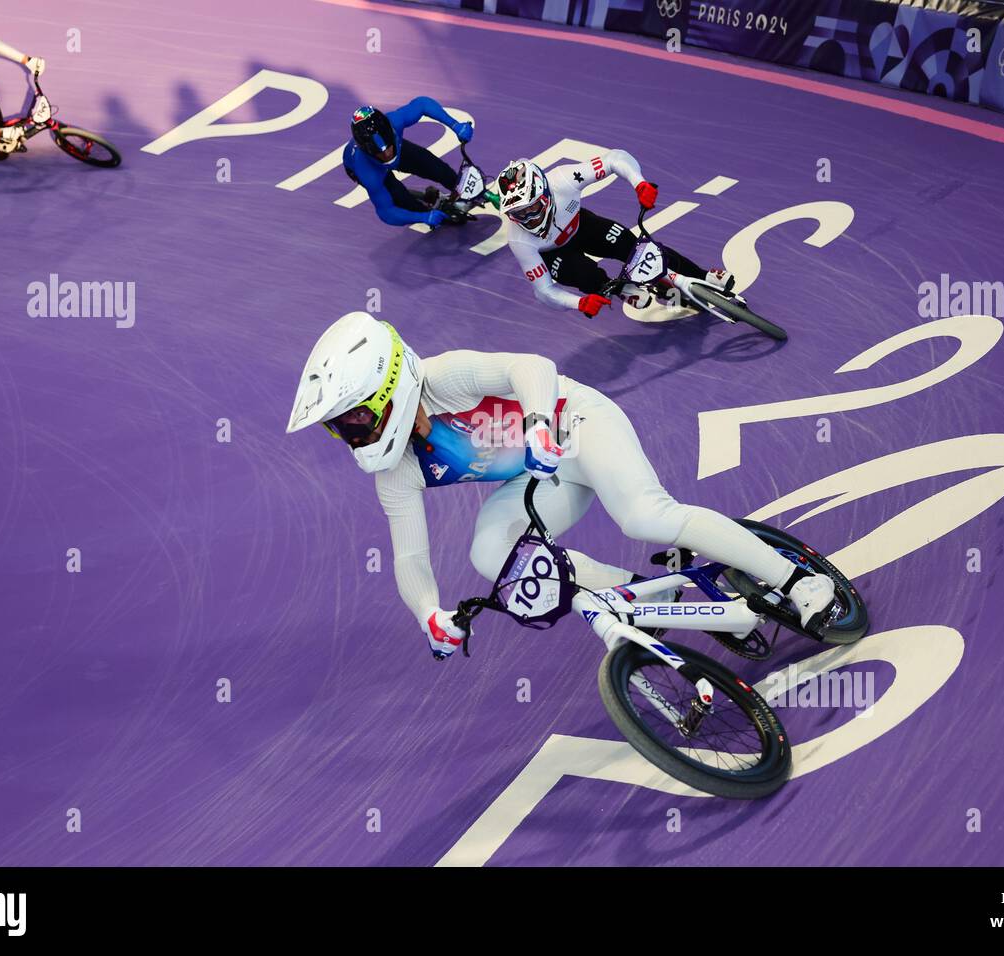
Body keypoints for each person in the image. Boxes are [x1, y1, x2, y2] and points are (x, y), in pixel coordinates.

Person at [286, 312, 836, 659]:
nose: (349, 435)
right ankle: (641, 595)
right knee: (489, 552)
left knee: (644, 516)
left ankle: (800, 582)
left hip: (576, 426)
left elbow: (532, 366)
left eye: (353, 418)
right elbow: (410, 557)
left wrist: (538, 424)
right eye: (341, 426)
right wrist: (428, 614)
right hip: (541, 476)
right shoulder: (395, 469)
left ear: (387, 388)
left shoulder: (445, 378)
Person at [497, 153, 735, 318]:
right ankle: (620, 289)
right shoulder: (519, 240)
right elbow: (544, 291)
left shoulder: (562, 179)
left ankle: (702, 275)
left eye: (532, 208)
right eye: (519, 213)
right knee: (585, 274)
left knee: (638, 249)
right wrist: (579, 303)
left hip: (582, 226)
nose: (529, 218)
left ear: (545, 193)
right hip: (556, 254)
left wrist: (639, 183)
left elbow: (614, 159)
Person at [342, 99, 474, 229]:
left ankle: (463, 191)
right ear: (368, 151)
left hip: (395, 150)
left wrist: (455, 125)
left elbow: (423, 104)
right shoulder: (367, 172)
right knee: (405, 204)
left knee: (439, 169)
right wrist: (423, 218)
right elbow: (386, 212)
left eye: (389, 147)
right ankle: (425, 209)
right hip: (374, 168)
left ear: (391, 132)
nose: (387, 154)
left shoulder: (395, 121)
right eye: (380, 153)